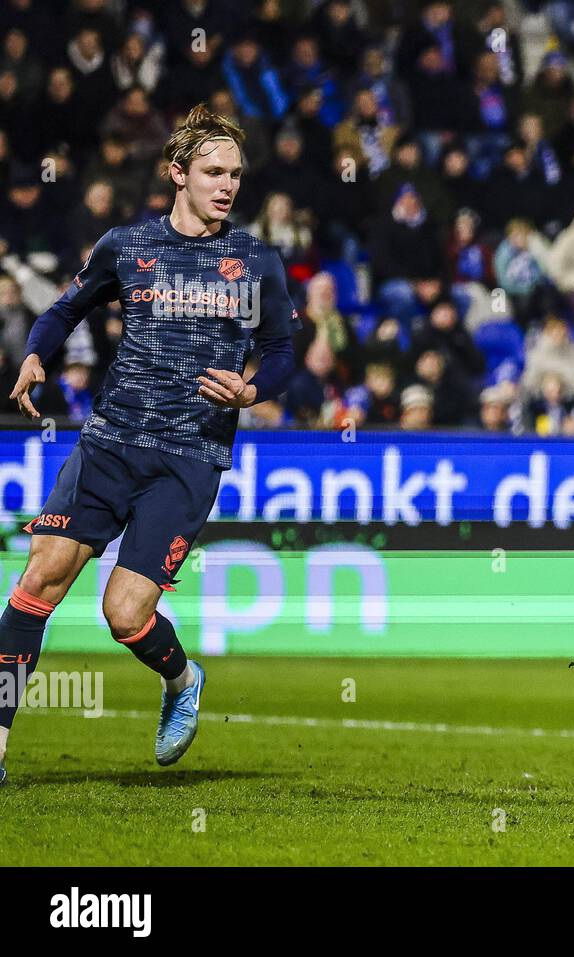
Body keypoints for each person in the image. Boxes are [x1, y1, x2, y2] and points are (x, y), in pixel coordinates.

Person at [0, 104, 297, 785]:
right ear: (177, 174)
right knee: (38, 579)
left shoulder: (253, 261)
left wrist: (253, 391)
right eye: (212, 171)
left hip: (189, 455)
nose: (226, 184)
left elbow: (281, 350)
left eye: (235, 174)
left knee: (124, 613)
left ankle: (183, 676)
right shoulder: (128, 247)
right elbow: (64, 307)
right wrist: (37, 356)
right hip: (108, 441)